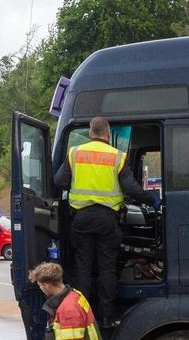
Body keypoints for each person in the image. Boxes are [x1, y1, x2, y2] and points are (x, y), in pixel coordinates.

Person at [53, 116, 153, 324]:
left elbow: (59, 180)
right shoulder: (117, 156)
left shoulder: (75, 153)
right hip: (107, 220)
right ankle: (106, 315)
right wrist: (151, 200)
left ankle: (83, 315)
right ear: (107, 134)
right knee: (107, 267)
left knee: (83, 267)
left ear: (90, 133)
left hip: (81, 218)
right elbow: (131, 187)